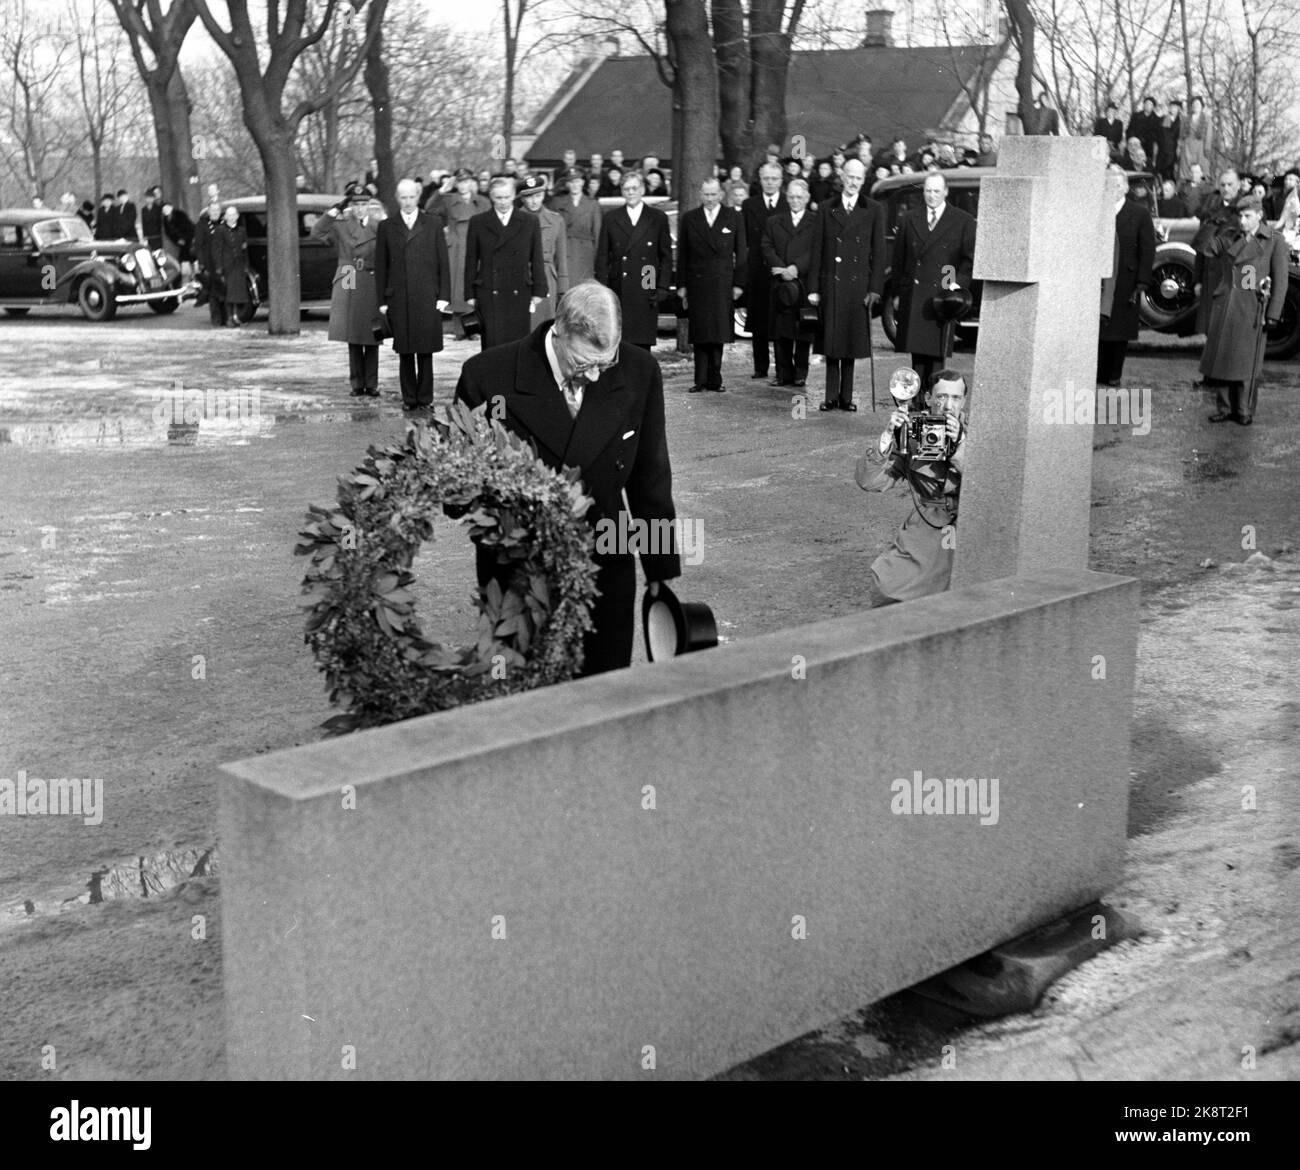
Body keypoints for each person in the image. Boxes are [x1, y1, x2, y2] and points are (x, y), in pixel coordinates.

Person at [454, 281, 681, 676]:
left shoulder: (639, 370)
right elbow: (459, 496)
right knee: (524, 701)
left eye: (604, 364)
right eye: (583, 363)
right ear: (558, 332)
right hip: (518, 572)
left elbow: (650, 480)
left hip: (606, 560)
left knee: (602, 691)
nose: (594, 377)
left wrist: (660, 574)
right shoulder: (487, 376)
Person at [855, 369, 968, 604]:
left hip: (969, 520)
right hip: (930, 519)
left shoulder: (977, 430)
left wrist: (960, 446)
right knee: (888, 583)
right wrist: (888, 435)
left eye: (955, 398)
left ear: (964, 401)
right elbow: (870, 482)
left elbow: (989, 484)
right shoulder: (914, 430)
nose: (948, 405)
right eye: (941, 397)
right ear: (927, 398)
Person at [1200, 194, 1289, 426]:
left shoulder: (1274, 240)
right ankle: (1224, 406)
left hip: (1252, 307)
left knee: (1246, 361)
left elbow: (1281, 280)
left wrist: (1273, 314)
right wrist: (1213, 226)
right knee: (1222, 357)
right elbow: (1205, 250)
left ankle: (1243, 409)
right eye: (1239, 215)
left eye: (1247, 216)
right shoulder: (1230, 236)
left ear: (1259, 215)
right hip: (1226, 302)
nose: (1242, 220)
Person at [807, 158, 886, 412]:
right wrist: (813, 288)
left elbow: (879, 252)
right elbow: (817, 249)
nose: (853, 182)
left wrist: (875, 288)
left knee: (850, 341)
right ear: (842, 176)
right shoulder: (826, 208)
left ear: (864, 180)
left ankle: (847, 396)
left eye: (858, 178)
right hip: (832, 283)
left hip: (857, 286)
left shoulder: (873, 209)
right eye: (850, 177)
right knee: (832, 341)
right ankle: (830, 396)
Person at [890, 172, 977, 391]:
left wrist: (955, 284)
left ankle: (935, 401)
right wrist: (898, 294)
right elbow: (899, 260)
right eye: (927, 191)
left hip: (943, 297)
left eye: (936, 191)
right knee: (917, 355)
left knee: (936, 355)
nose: (931, 195)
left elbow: (968, 259)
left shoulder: (962, 220)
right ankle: (916, 400)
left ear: (946, 192)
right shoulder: (910, 218)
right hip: (915, 295)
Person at [376, 179, 451, 410]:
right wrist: (382, 301)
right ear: (397, 199)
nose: (408, 202)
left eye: (411, 197)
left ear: (418, 197)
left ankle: (425, 398)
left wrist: (443, 296)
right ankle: (409, 398)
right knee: (405, 350)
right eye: (403, 198)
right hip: (399, 297)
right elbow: (382, 266)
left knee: (425, 350)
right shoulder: (387, 227)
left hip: (427, 296)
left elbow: (443, 263)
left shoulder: (433, 223)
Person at [311, 182, 385, 397]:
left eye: (364, 204)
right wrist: (334, 210)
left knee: (372, 331)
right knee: (352, 329)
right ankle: (356, 383)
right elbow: (317, 232)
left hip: (370, 277)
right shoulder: (341, 224)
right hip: (349, 274)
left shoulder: (378, 226)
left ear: (369, 205)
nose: (360, 208)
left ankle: (371, 383)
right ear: (350, 206)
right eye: (356, 204)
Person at [676, 177, 746, 393]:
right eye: (706, 194)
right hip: (697, 283)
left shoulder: (733, 217)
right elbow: (683, 254)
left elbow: (741, 252)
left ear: (720, 195)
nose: (709, 198)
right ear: (700, 194)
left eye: (713, 194)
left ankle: (715, 379)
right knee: (700, 333)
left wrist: (739, 284)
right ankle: (700, 380)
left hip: (722, 283)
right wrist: (682, 285)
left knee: (718, 333)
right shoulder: (690, 219)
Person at [464, 176, 547, 352]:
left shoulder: (529, 221)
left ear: (514, 196)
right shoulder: (478, 222)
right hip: (488, 291)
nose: (503, 202)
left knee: (518, 343)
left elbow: (536, 258)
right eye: (498, 198)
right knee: (492, 343)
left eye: (507, 197)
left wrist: (539, 290)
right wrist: (469, 293)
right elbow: (471, 260)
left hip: (519, 290)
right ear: (491, 197)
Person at [594, 171, 672, 351]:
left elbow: (665, 256)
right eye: (626, 188)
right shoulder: (612, 218)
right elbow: (603, 256)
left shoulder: (657, 217)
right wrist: (603, 288)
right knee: (620, 339)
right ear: (621, 191)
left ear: (643, 189)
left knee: (643, 334)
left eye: (634, 188)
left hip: (647, 277)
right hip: (619, 284)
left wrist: (661, 287)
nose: (630, 192)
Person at [761, 177, 821, 388]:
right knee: (781, 331)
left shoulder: (816, 222)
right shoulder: (774, 221)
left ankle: (800, 373)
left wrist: (795, 268)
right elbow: (766, 247)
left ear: (806, 198)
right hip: (780, 284)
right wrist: (781, 268)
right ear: (787, 198)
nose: (795, 201)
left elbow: (816, 250)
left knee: (802, 329)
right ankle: (782, 372)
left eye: (799, 197)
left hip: (803, 282)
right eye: (792, 197)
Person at [1098, 167, 1156, 386]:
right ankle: (1099, 374)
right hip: (1103, 280)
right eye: (1106, 184)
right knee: (1101, 328)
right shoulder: (1100, 211)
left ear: (1124, 187)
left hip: (1126, 281)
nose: (1109, 188)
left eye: (1113, 184)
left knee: (1119, 332)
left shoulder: (1139, 213)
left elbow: (1147, 248)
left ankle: (1114, 375)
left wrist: (1142, 281)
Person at [741, 163, 786, 381]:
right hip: (758, 270)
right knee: (758, 321)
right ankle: (761, 367)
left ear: (781, 180)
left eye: (774, 178)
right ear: (760, 180)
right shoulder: (749, 205)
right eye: (766, 178)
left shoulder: (789, 203)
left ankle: (783, 368)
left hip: (781, 268)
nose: (770, 182)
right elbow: (746, 239)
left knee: (780, 320)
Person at [1192, 169, 1242, 336]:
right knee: (1212, 330)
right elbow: (1201, 248)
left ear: (1239, 185)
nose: (1226, 188)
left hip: (1235, 276)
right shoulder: (1210, 212)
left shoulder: (1247, 210)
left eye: (1230, 184)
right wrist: (1197, 280)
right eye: (1223, 185)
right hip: (1212, 275)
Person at [442, 169, 490, 338]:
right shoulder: (449, 200)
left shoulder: (482, 202)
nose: (463, 185)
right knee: (457, 288)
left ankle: (474, 329)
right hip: (456, 248)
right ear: (456, 184)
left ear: (472, 182)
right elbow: (429, 208)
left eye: (466, 181)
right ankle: (459, 330)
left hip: (476, 246)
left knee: (474, 283)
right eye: (460, 182)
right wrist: (442, 190)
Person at [519, 174, 569, 330]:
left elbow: (561, 258)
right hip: (520, 276)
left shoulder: (555, 220)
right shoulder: (514, 220)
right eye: (529, 197)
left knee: (545, 326)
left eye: (538, 196)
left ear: (543, 196)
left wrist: (563, 289)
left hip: (546, 277)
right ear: (522, 198)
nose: (534, 201)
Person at [551, 169, 601, 283]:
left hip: (586, 252)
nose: (574, 185)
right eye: (571, 182)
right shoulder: (557, 202)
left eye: (577, 181)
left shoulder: (593, 204)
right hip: (564, 249)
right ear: (567, 184)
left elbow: (597, 233)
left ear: (583, 182)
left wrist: (597, 258)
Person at [213, 204, 250, 327]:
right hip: (226, 265)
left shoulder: (242, 231)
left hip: (239, 265)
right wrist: (219, 267)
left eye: (234, 215)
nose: (232, 217)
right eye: (229, 215)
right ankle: (229, 318)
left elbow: (245, 250)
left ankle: (236, 317)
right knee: (229, 293)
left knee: (239, 293)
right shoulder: (220, 230)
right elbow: (217, 250)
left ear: (237, 216)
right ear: (225, 217)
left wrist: (246, 265)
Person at [193, 196, 225, 325]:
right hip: (209, 262)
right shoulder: (202, 225)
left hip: (223, 261)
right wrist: (201, 263)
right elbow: (199, 246)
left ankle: (225, 316)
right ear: (209, 211)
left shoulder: (223, 223)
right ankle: (216, 318)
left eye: (217, 210)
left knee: (224, 291)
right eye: (213, 210)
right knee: (213, 292)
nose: (215, 213)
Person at [1179, 96, 1213, 182]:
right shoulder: (1186, 118)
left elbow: (1209, 135)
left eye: (1197, 104)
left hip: (1200, 146)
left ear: (1202, 106)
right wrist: (1179, 146)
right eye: (1193, 104)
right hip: (1187, 145)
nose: (1195, 106)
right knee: (1185, 169)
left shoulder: (1207, 119)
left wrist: (1207, 149)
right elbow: (1181, 134)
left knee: (1202, 168)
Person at [160, 200, 195, 275]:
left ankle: (192, 274)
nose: (165, 210)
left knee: (187, 257)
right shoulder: (165, 220)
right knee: (183, 258)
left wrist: (183, 239)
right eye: (164, 209)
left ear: (171, 207)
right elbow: (169, 233)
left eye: (167, 208)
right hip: (179, 241)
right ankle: (188, 274)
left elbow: (187, 227)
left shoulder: (179, 214)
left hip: (189, 237)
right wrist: (177, 240)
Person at [1126, 96, 1159, 162]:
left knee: (1146, 164)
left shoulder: (1157, 119)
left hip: (1148, 145)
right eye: (1146, 103)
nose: (1148, 106)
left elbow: (1155, 134)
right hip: (1134, 144)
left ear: (1153, 107)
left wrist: (1143, 139)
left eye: (1150, 104)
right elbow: (1130, 129)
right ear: (1143, 105)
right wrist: (1133, 139)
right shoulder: (1136, 116)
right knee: (1131, 162)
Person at [1272, 168, 1299, 247]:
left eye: (1291, 179)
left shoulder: (1296, 197)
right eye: (1286, 179)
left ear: (1297, 182)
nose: (1287, 181)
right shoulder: (1279, 196)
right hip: (1279, 228)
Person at [1158, 100, 1182, 180]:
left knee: (1170, 172)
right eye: (1171, 106)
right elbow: (1159, 134)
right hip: (1161, 150)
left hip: (1173, 151)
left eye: (1174, 107)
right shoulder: (1163, 119)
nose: (1172, 108)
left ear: (1179, 109)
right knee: (1160, 171)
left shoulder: (1181, 121)